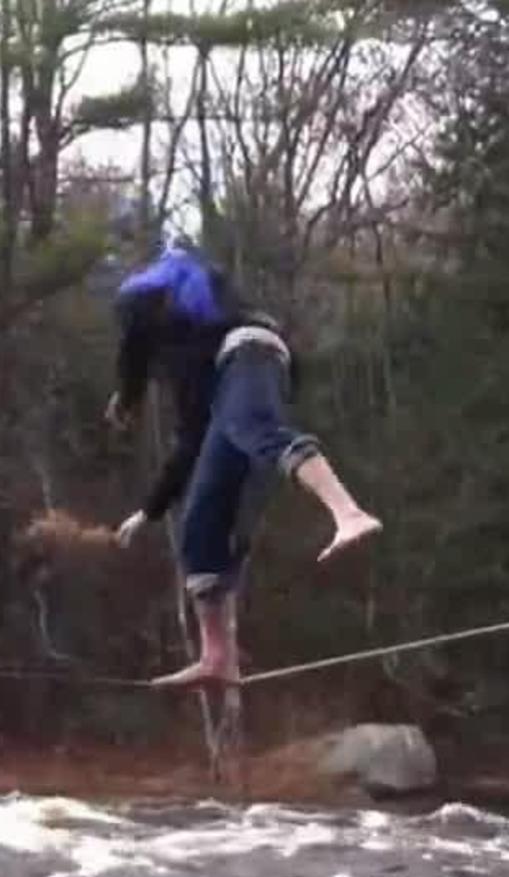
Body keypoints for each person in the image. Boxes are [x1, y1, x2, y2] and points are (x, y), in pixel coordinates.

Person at [107, 246, 382, 688]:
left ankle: (348, 513)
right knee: (200, 521)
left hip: (251, 351)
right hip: (237, 378)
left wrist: (127, 394)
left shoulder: (155, 307)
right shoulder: (195, 379)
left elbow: (132, 348)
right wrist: (149, 511)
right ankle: (218, 658)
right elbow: (189, 446)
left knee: (252, 425)